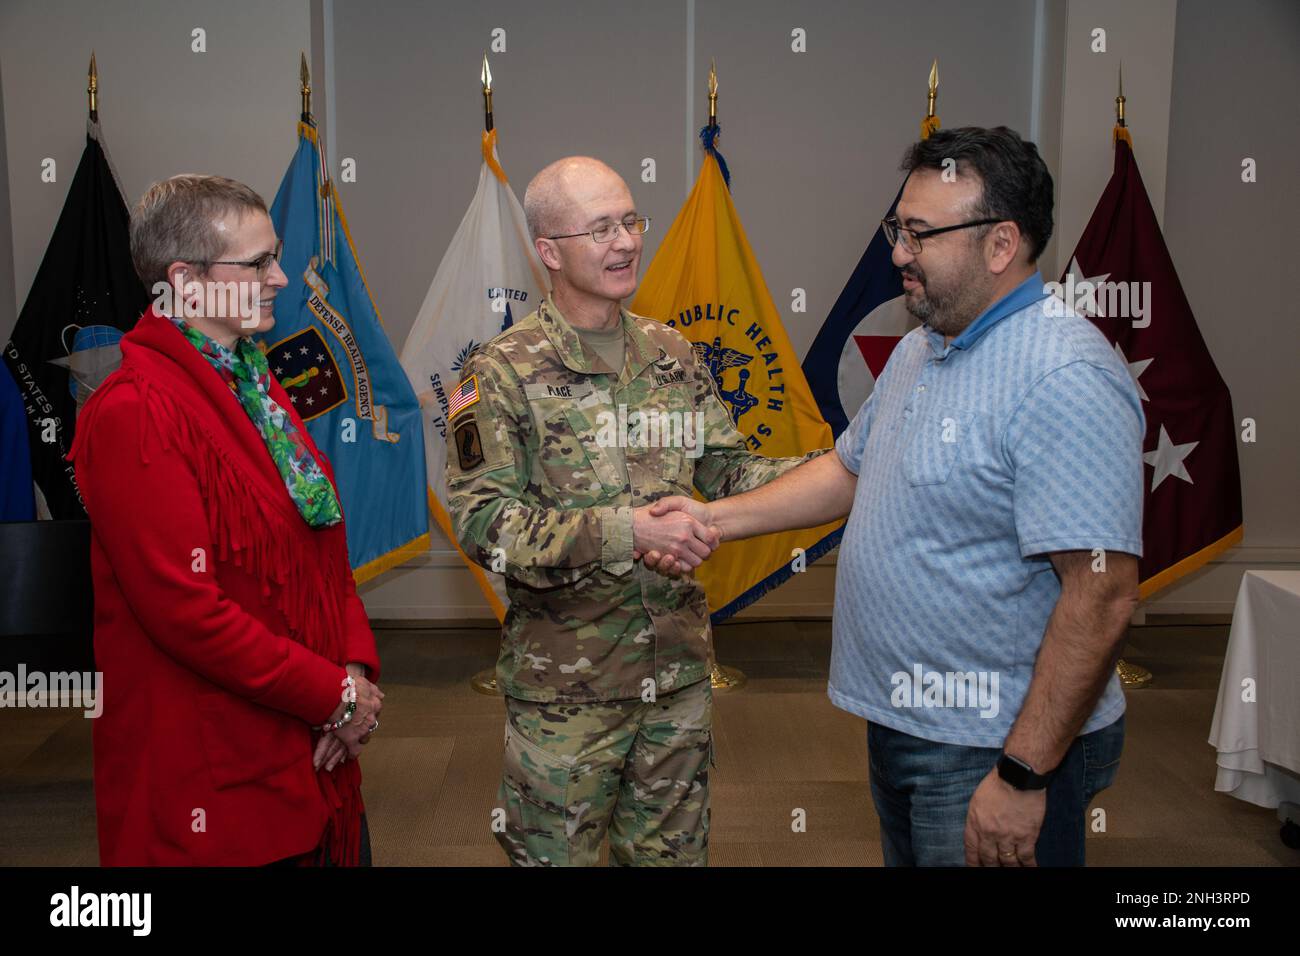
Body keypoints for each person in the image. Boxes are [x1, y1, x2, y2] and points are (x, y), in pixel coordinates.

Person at [647, 127, 1144, 866]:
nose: (898, 252)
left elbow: (1101, 595)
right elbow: (851, 471)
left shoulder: (1063, 376)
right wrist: (709, 517)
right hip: (908, 723)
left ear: (1000, 244)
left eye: (919, 233)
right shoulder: (926, 345)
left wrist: (1022, 774)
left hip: (990, 742)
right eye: (897, 228)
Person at [445, 156, 823, 866]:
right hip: (567, 695)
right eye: (600, 228)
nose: (625, 243)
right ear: (548, 252)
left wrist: (836, 470)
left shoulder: (674, 353)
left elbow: (731, 470)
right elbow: (483, 525)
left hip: (675, 678)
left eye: (629, 221)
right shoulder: (499, 372)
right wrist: (628, 531)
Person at [70, 175, 383, 866]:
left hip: (307, 734)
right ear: (184, 279)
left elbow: (320, 546)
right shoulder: (134, 410)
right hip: (214, 763)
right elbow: (187, 613)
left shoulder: (249, 377)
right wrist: (331, 695)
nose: (279, 277)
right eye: (258, 263)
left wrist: (352, 670)